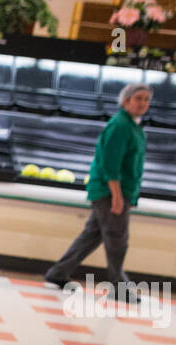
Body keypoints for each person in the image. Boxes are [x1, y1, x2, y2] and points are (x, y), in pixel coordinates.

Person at [44, 83, 150, 292]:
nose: (143, 103)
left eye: (146, 100)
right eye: (138, 98)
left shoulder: (133, 126)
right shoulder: (120, 126)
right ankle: (119, 286)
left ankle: (58, 273)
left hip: (118, 191)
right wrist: (117, 197)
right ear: (126, 100)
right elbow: (111, 164)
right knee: (117, 239)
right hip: (110, 192)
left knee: (91, 237)